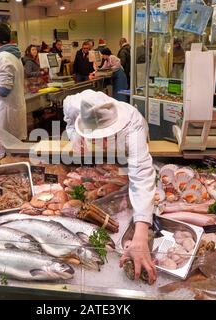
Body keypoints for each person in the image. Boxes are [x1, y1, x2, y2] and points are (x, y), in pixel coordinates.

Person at [63, 89, 156, 284]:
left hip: (127, 151)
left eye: (105, 135)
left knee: (132, 172)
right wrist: (74, 135)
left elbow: (141, 176)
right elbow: (68, 118)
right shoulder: (75, 104)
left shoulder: (133, 123)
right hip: (107, 159)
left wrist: (140, 235)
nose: (101, 141)